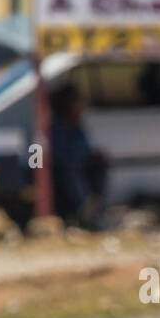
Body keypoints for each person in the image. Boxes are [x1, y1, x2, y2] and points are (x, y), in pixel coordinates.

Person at [48, 84, 108, 230]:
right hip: (61, 169)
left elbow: (85, 149)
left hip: (80, 165)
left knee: (99, 167)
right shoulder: (55, 126)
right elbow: (58, 154)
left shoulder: (77, 126)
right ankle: (83, 210)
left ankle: (94, 207)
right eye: (78, 103)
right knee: (71, 172)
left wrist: (95, 156)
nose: (81, 107)